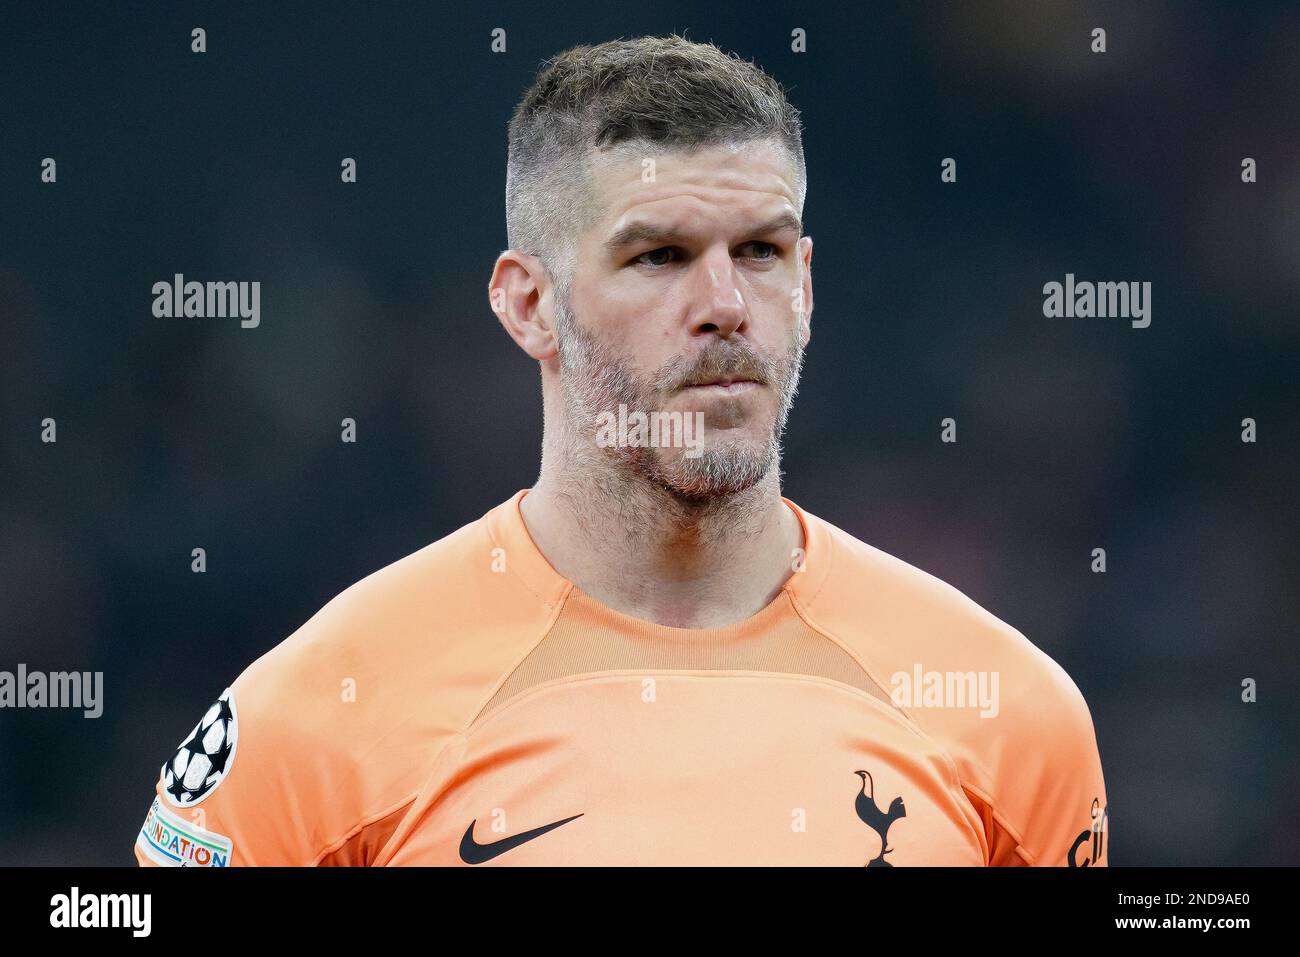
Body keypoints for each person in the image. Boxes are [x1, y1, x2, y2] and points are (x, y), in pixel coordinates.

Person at [134, 34, 1107, 867]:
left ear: (806, 284)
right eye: (659, 257)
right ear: (527, 305)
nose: (726, 307)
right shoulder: (320, 714)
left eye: (761, 252)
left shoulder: (1009, 714)